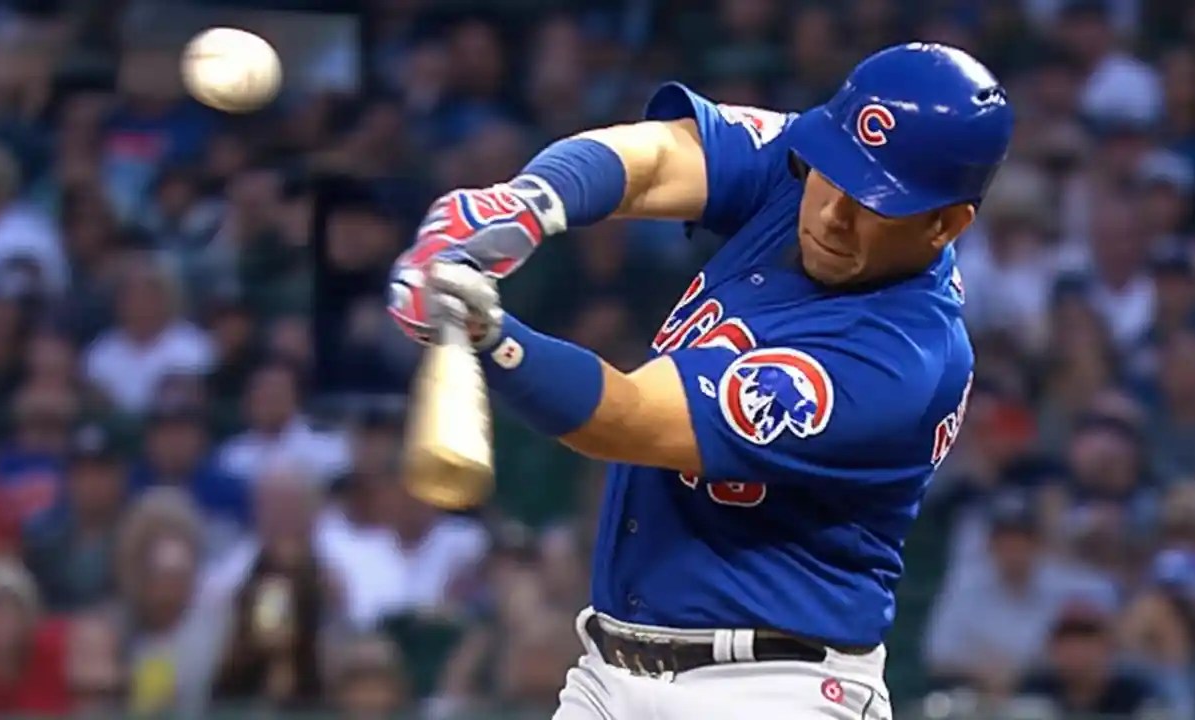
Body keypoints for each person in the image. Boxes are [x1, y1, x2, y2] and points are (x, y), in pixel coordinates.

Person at [388, 42, 1013, 719]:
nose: (832, 211)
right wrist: (527, 202)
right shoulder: (814, 166)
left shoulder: (898, 359)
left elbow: (627, 418)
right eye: (831, 174)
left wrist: (487, 337)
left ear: (946, 223)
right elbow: (655, 161)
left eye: (873, 203)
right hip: (611, 665)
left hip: (769, 689)